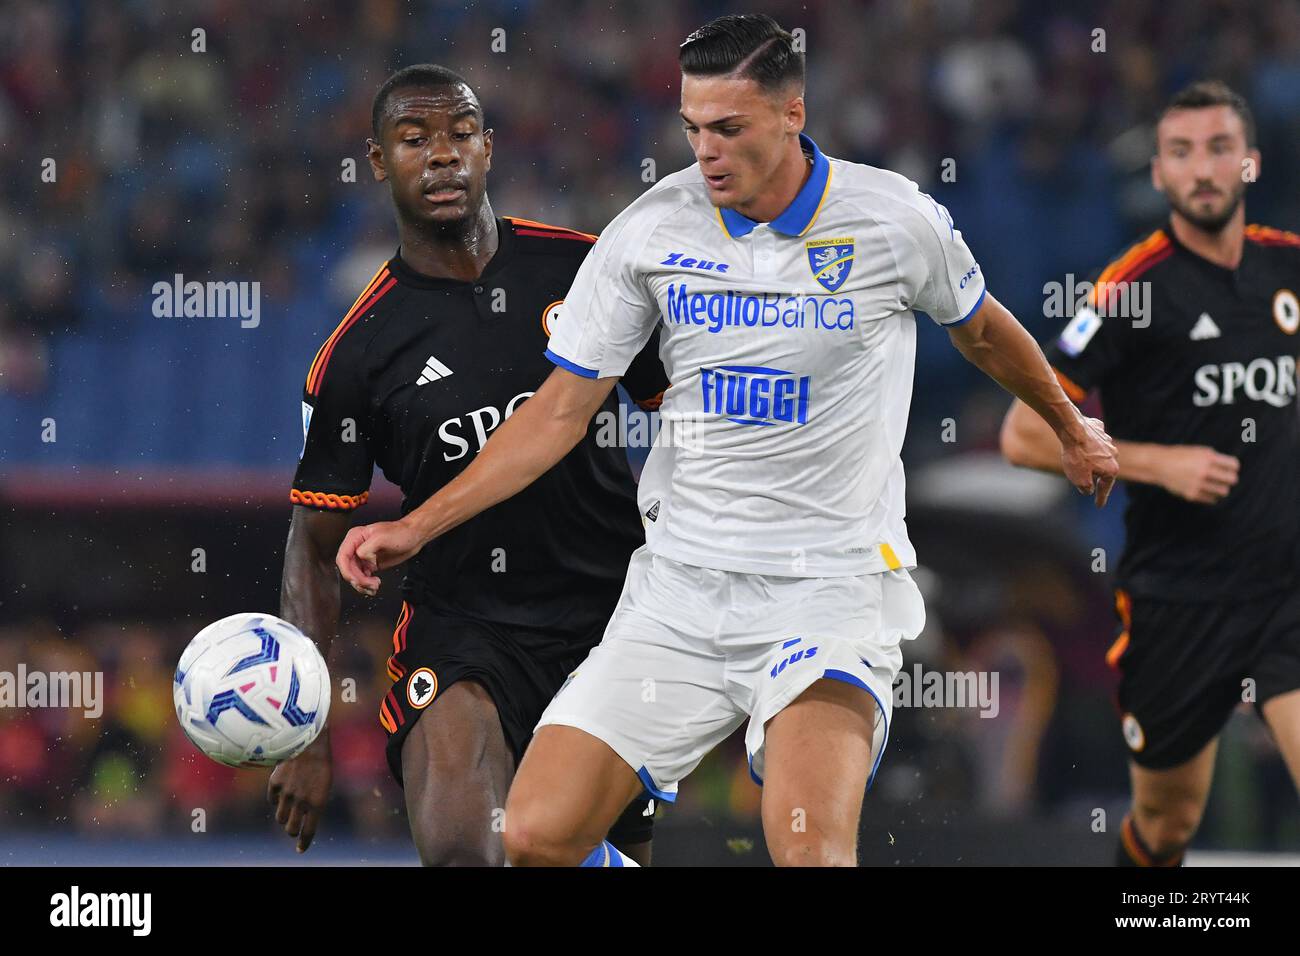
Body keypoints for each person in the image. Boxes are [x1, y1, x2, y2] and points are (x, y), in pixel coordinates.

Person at [337, 16, 1118, 867]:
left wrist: (1067, 425)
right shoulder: (651, 232)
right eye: (693, 127)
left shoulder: (892, 220)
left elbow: (981, 329)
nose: (706, 151)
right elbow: (558, 415)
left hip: (829, 588)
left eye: (730, 128)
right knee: (533, 839)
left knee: (807, 850)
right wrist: (415, 528)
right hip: (679, 593)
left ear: (793, 114)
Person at [269, 64, 666, 866]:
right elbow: (314, 545)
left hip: (617, 626)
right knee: (462, 851)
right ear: (379, 162)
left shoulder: (586, 271)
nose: (441, 156)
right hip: (465, 631)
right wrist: (300, 731)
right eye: (414, 140)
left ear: (487, 147)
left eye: (458, 135)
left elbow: (685, 417)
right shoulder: (357, 354)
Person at [1002, 80, 1300, 866]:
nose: (1201, 168)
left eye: (1218, 149)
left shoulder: (1290, 269)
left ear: (1250, 163)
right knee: (1167, 825)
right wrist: (1156, 461)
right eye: (1181, 152)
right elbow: (1023, 433)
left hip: (1287, 592)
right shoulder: (1129, 290)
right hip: (1179, 599)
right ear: (1159, 174)